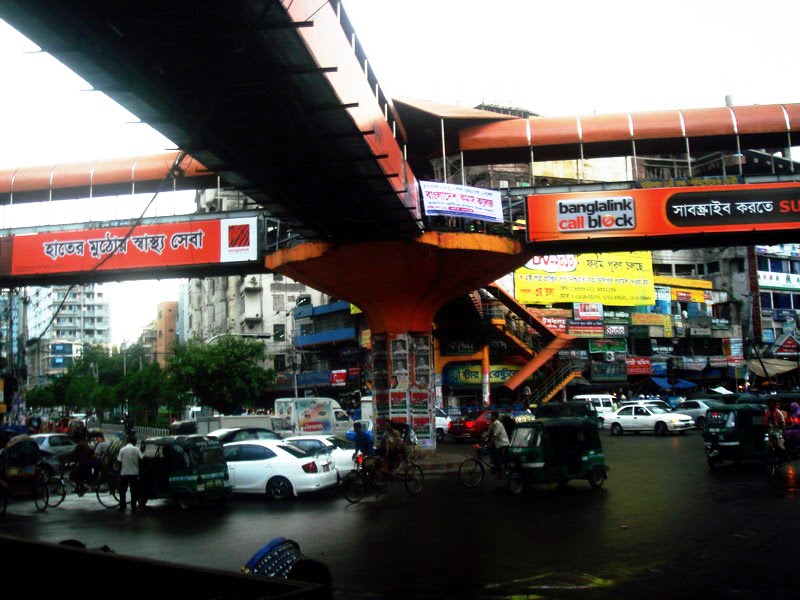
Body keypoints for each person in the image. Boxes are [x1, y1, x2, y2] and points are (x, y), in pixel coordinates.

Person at [117, 436, 144, 512]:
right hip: (134, 473)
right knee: (134, 491)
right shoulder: (136, 449)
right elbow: (142, 458)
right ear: (134, 442)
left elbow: (119, 461)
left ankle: (123, 506)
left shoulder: (122, 449)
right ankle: (133, 506)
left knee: (122, 490)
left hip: (124, 473)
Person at [67, 427, 94, 496]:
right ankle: (78, 488)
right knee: (78, 477)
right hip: (84, 463)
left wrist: (67, 461)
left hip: (83, 463)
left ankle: (82, 487)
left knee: (72, 476)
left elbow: (73, 455)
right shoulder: (84, 444)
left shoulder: (80, 445)